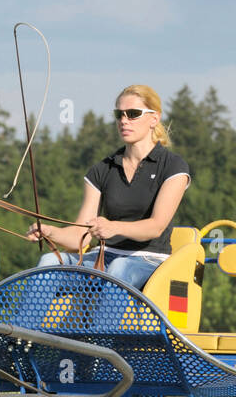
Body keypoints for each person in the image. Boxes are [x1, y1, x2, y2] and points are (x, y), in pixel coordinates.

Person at [27, 84, 190, 289]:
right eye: (119, 114)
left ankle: (102, 323)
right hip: (104, 258)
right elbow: (80, 236)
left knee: (119, 269)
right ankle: (19, 323)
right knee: (48, 262)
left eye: (133, 114)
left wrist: (113, 227)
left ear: (154, 118)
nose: (124, 120)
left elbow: (156, 226)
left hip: (149, 260)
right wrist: (50, 232)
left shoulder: (173, 166)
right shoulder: (102, 169)